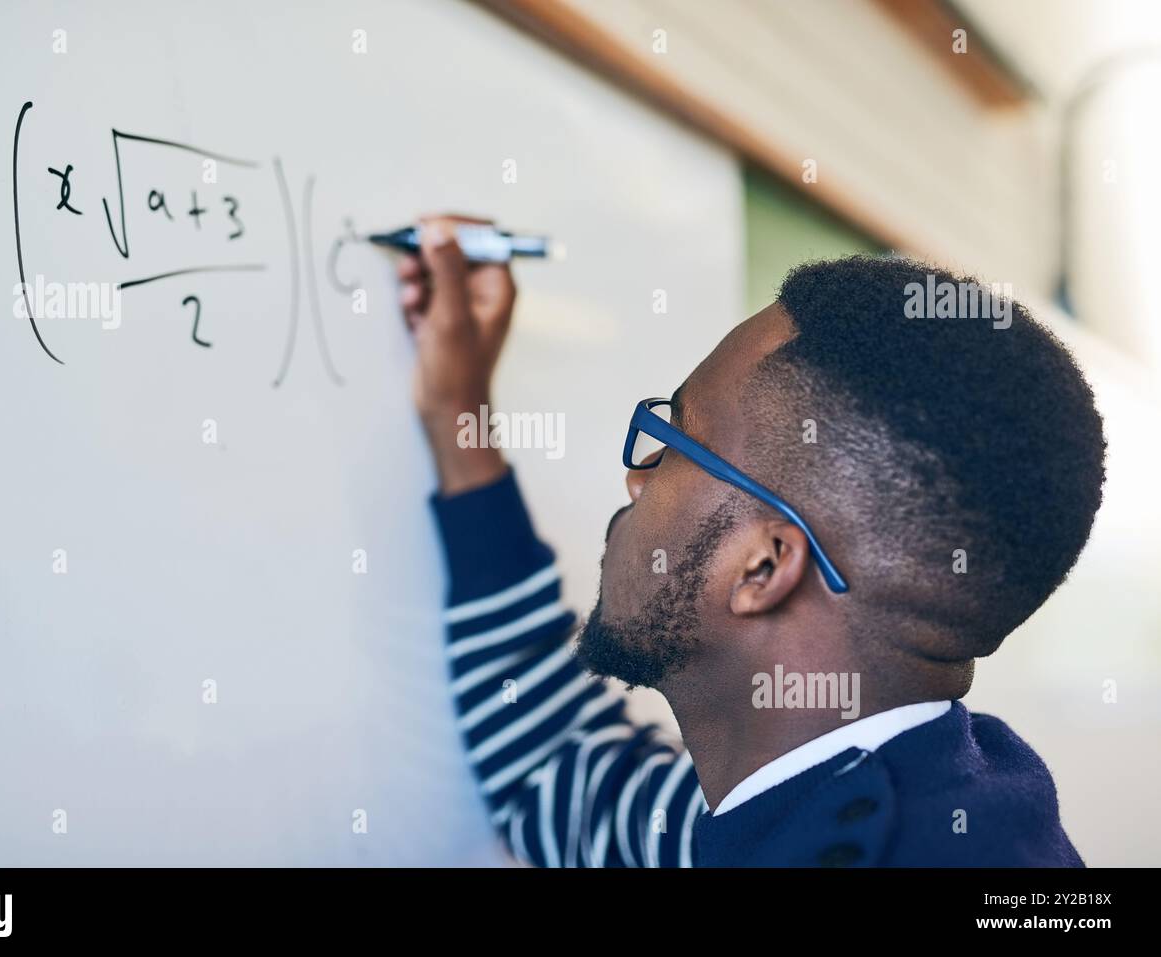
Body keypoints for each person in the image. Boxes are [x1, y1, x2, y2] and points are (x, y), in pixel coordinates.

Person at [398, 215, 1105, 867]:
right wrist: (459, 416)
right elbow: (552, 771)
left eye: (674, 442)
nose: (634, 478)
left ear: (763, 565)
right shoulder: (821, 805)